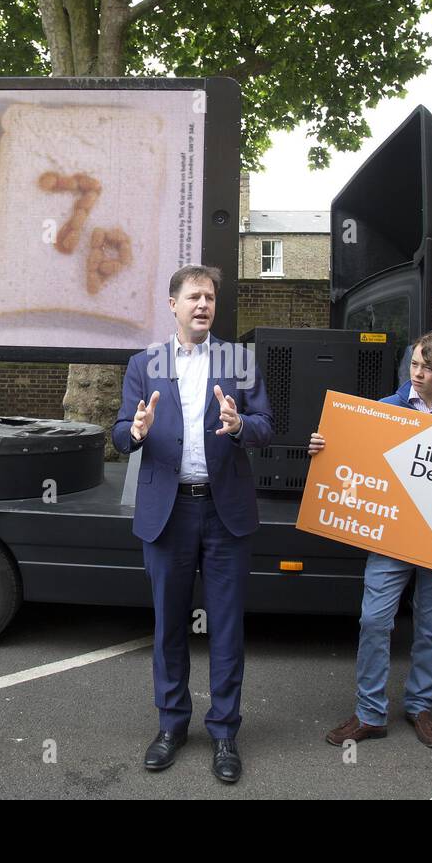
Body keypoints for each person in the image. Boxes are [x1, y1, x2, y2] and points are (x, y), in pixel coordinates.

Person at [111, 265, 273, 784]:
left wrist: (241, 424)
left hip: (225, 514)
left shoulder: (239, 361)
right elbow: (120, 432)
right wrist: (135, 432)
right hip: (169, 513)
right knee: (168, 627)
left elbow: (266, 427)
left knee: (226, 628)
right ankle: (171, 726)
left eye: (210, 297)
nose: (203, 304)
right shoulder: (144, 364)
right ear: (173, 305)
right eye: (193, 297)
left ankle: (224, 732)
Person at [314, 330, 432, 750]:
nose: (417, 374)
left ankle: (420, 706)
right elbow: (352, 460)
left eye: (429, 368)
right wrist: (325, 448)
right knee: (374, 620)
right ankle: (370, 713)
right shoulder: (385, 409)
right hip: (391, 535)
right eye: (415, 364)